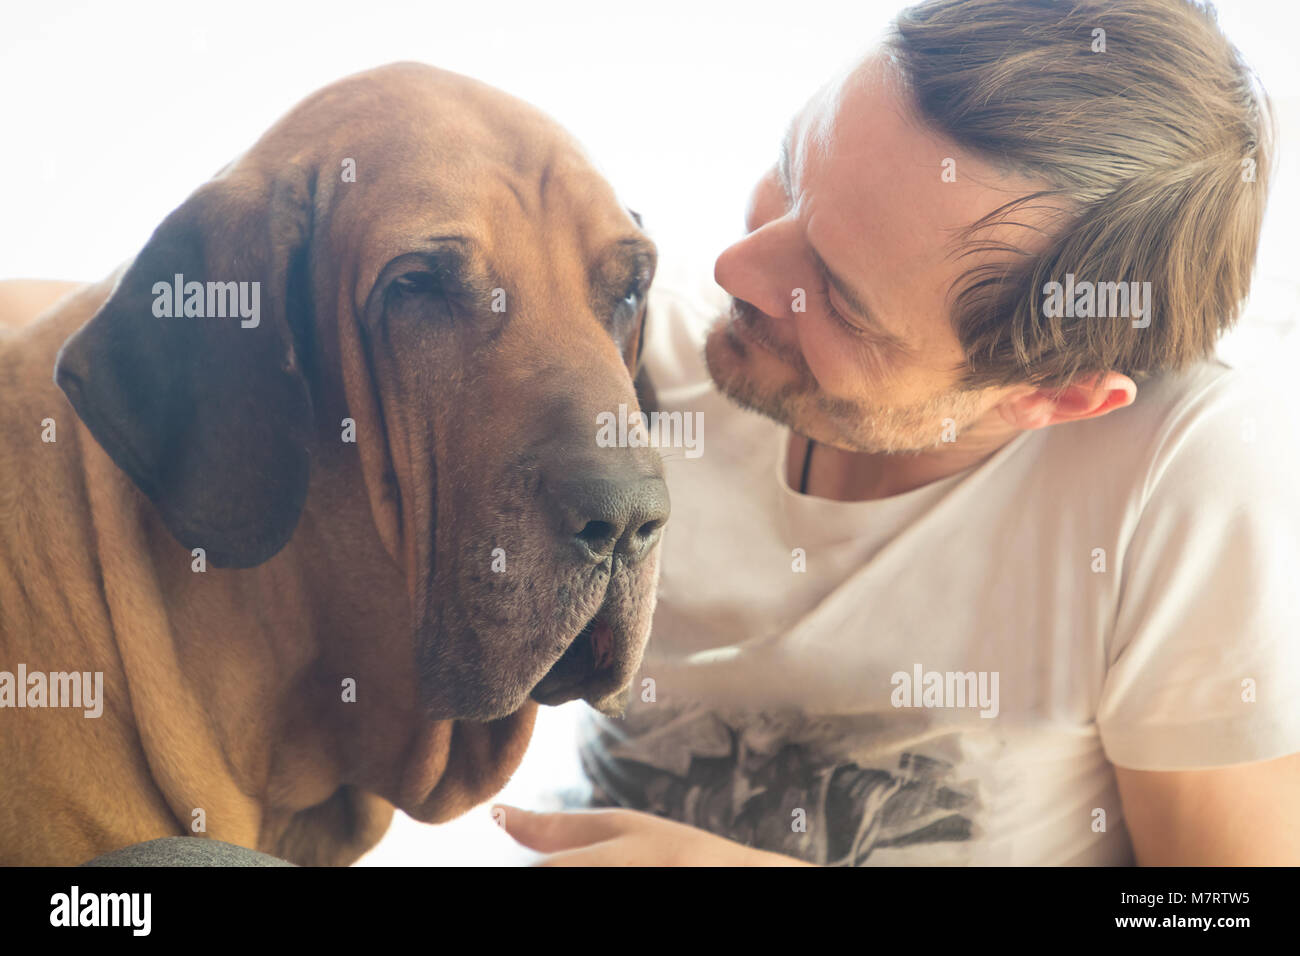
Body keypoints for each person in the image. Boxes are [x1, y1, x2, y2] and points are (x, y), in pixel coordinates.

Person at [494, 0, 1300, 865]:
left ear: (1054, 398)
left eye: (839, 298)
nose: (739, 267)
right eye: (788, 169)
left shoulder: (1181, 476)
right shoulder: (630, 353)